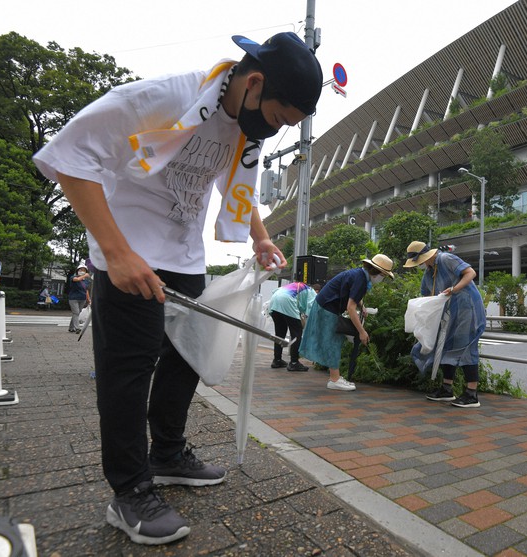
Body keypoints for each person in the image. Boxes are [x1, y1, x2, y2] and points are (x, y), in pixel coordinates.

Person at [32, 32, 323, 546]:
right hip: (129, 251)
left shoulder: (245, 126)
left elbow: (233, 182)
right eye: (279, 118)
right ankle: (129, 490)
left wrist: (259, 237)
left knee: (186, 357)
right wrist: (116, 254)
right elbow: (70, 155)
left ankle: (166, 454)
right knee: (129, 369)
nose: (276, 131)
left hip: (184, 255)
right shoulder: (162, 98)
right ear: (255, 83)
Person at [405, 241, 486, 408]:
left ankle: (472, 394)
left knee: (467, 347)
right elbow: (427, 295)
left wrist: (454, 289)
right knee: (445, 347)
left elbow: (470, 273)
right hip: (450, 314)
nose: (418, 265)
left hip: (467, 308)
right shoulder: (429, 272)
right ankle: (446, 389)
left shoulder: (445, 258)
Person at [300, 254, 394, 391]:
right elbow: (350, 308)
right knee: (333, 341)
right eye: (383, 275)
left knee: (334, 340)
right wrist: (362, 331)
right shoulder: (361, 280)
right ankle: (334, 379)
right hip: (327, 307)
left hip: (325, 305)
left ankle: (335, 377)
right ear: (377, 272)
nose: (382, 278)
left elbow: (353, 295)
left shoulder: (359, 274)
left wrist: (362, 307)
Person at [269, 281, 316, 371]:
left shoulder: (295, 286)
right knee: (297, 333)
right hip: (287, 300)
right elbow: (311, 308)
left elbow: (275, 291)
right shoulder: (311, 291)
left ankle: (277, 360)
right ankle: (294, 362)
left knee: (280, 333)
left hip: (274, 300)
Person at [67, 264, 91, 333]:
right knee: (76, 312)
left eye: (84, 270)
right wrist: (84, 276)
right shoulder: (73, 277)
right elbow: (77, 279)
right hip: (73, 298)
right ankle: (77, 328)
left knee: (77, 313)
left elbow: (86, 290)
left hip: (82, 299)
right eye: (80, 270)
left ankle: (71, 328)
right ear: (77, 271)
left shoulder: (86, 281)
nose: (82, 271)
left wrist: (88, 299)